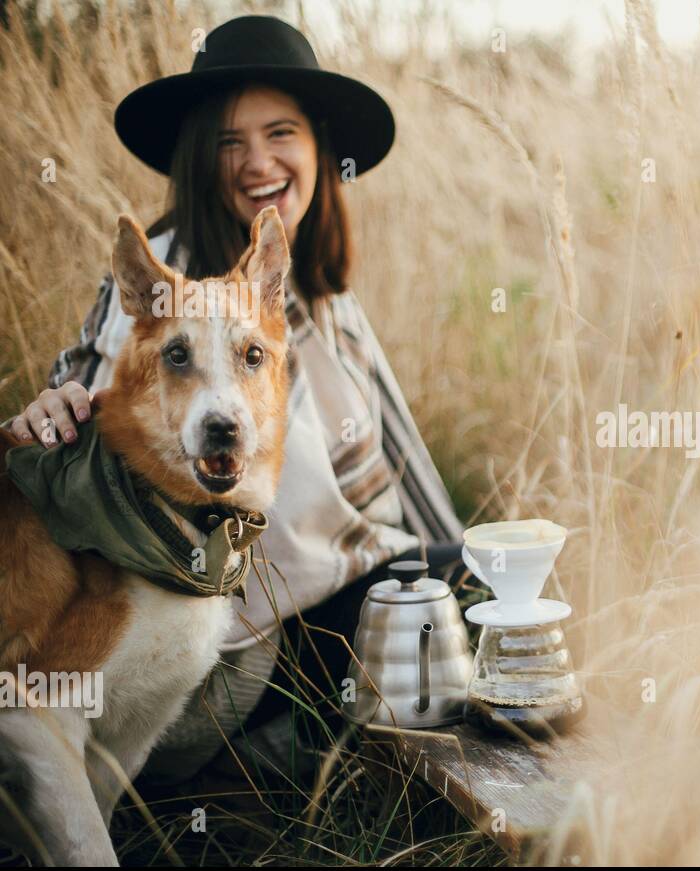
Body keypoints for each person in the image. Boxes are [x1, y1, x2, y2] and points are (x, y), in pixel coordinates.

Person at [2, 15, 466, 786]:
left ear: (318, 146)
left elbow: (410, 481)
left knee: (478, 584)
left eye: (280, 132)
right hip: (231, 641)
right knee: (449, 600)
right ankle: (261, 764)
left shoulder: (322, 299)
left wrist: (461, 569)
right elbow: (90, 388)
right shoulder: (169, 283)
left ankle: (322, 750)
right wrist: (50, 408)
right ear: (198, 159)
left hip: (339, 589)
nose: (258, 162)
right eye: (228, 142)